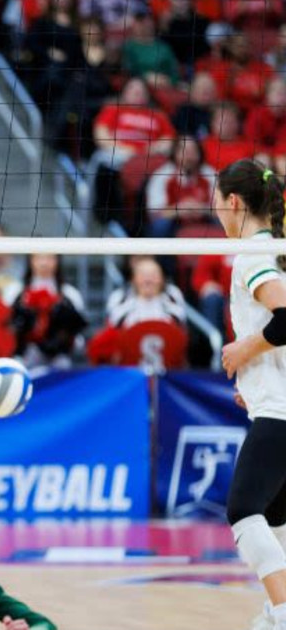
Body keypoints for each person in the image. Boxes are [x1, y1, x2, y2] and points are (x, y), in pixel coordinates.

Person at [212, 159, 286, 630]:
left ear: (234, 202)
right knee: (277, 516)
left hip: (281, 412)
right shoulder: (277, 251)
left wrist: (241, 351)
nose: (218, 213)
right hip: (274, 402)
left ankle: (282, 612)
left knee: (244, 511)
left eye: (219, 203)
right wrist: (254, 378)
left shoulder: (255, 254)